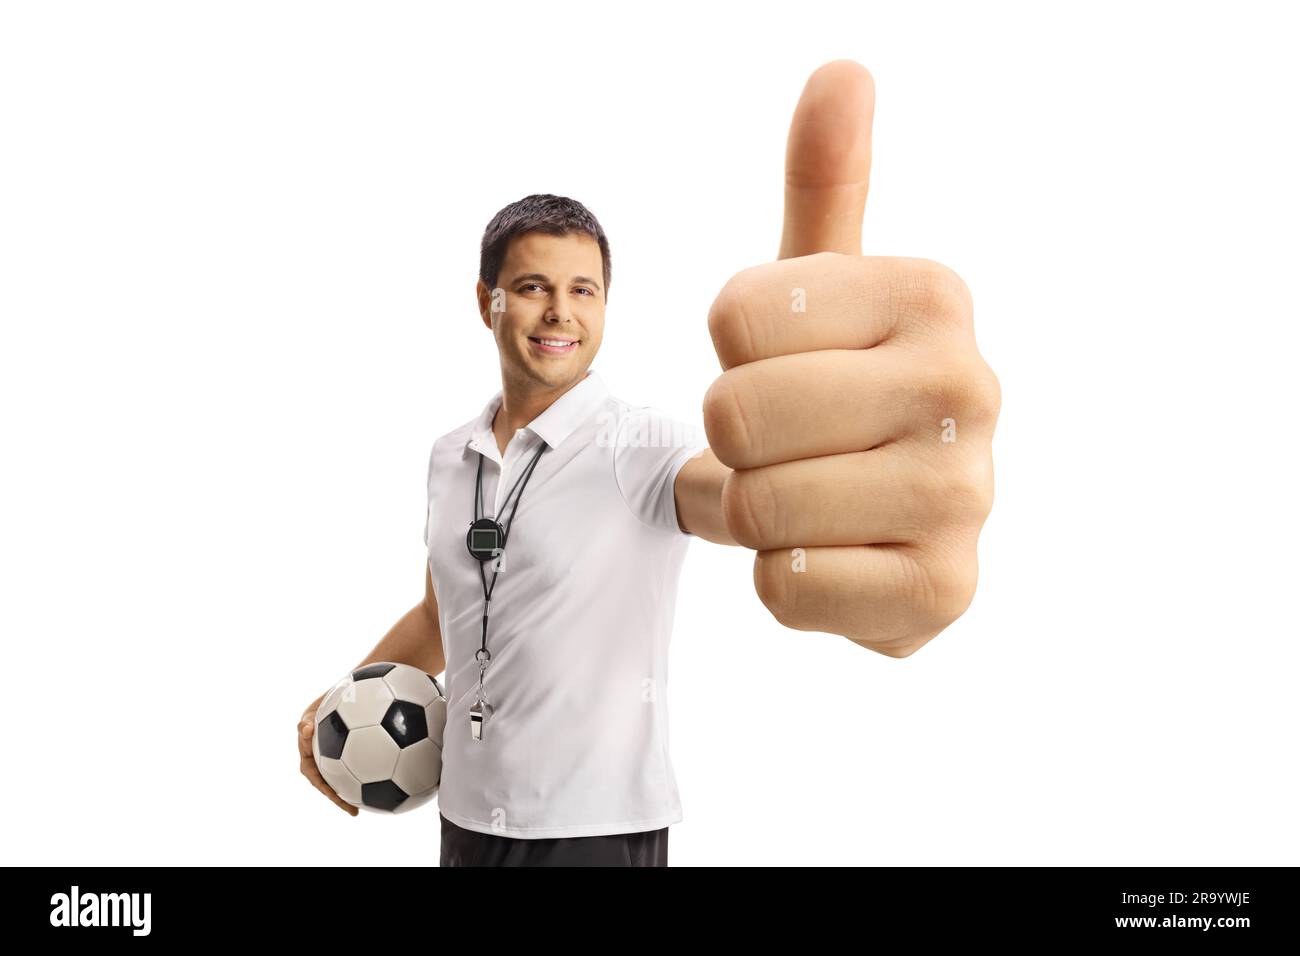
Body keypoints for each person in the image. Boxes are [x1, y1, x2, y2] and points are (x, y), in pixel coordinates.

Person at [298, 60, 1000, 867]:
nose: (560, 311)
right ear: (486, 300)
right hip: (466, 820)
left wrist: (818, 476)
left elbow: (729, 493)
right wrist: (346, 699)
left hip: (599, 834)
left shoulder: (638, 445)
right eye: (531, 286)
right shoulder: (449, 456)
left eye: (584, 290)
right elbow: (441, 616)